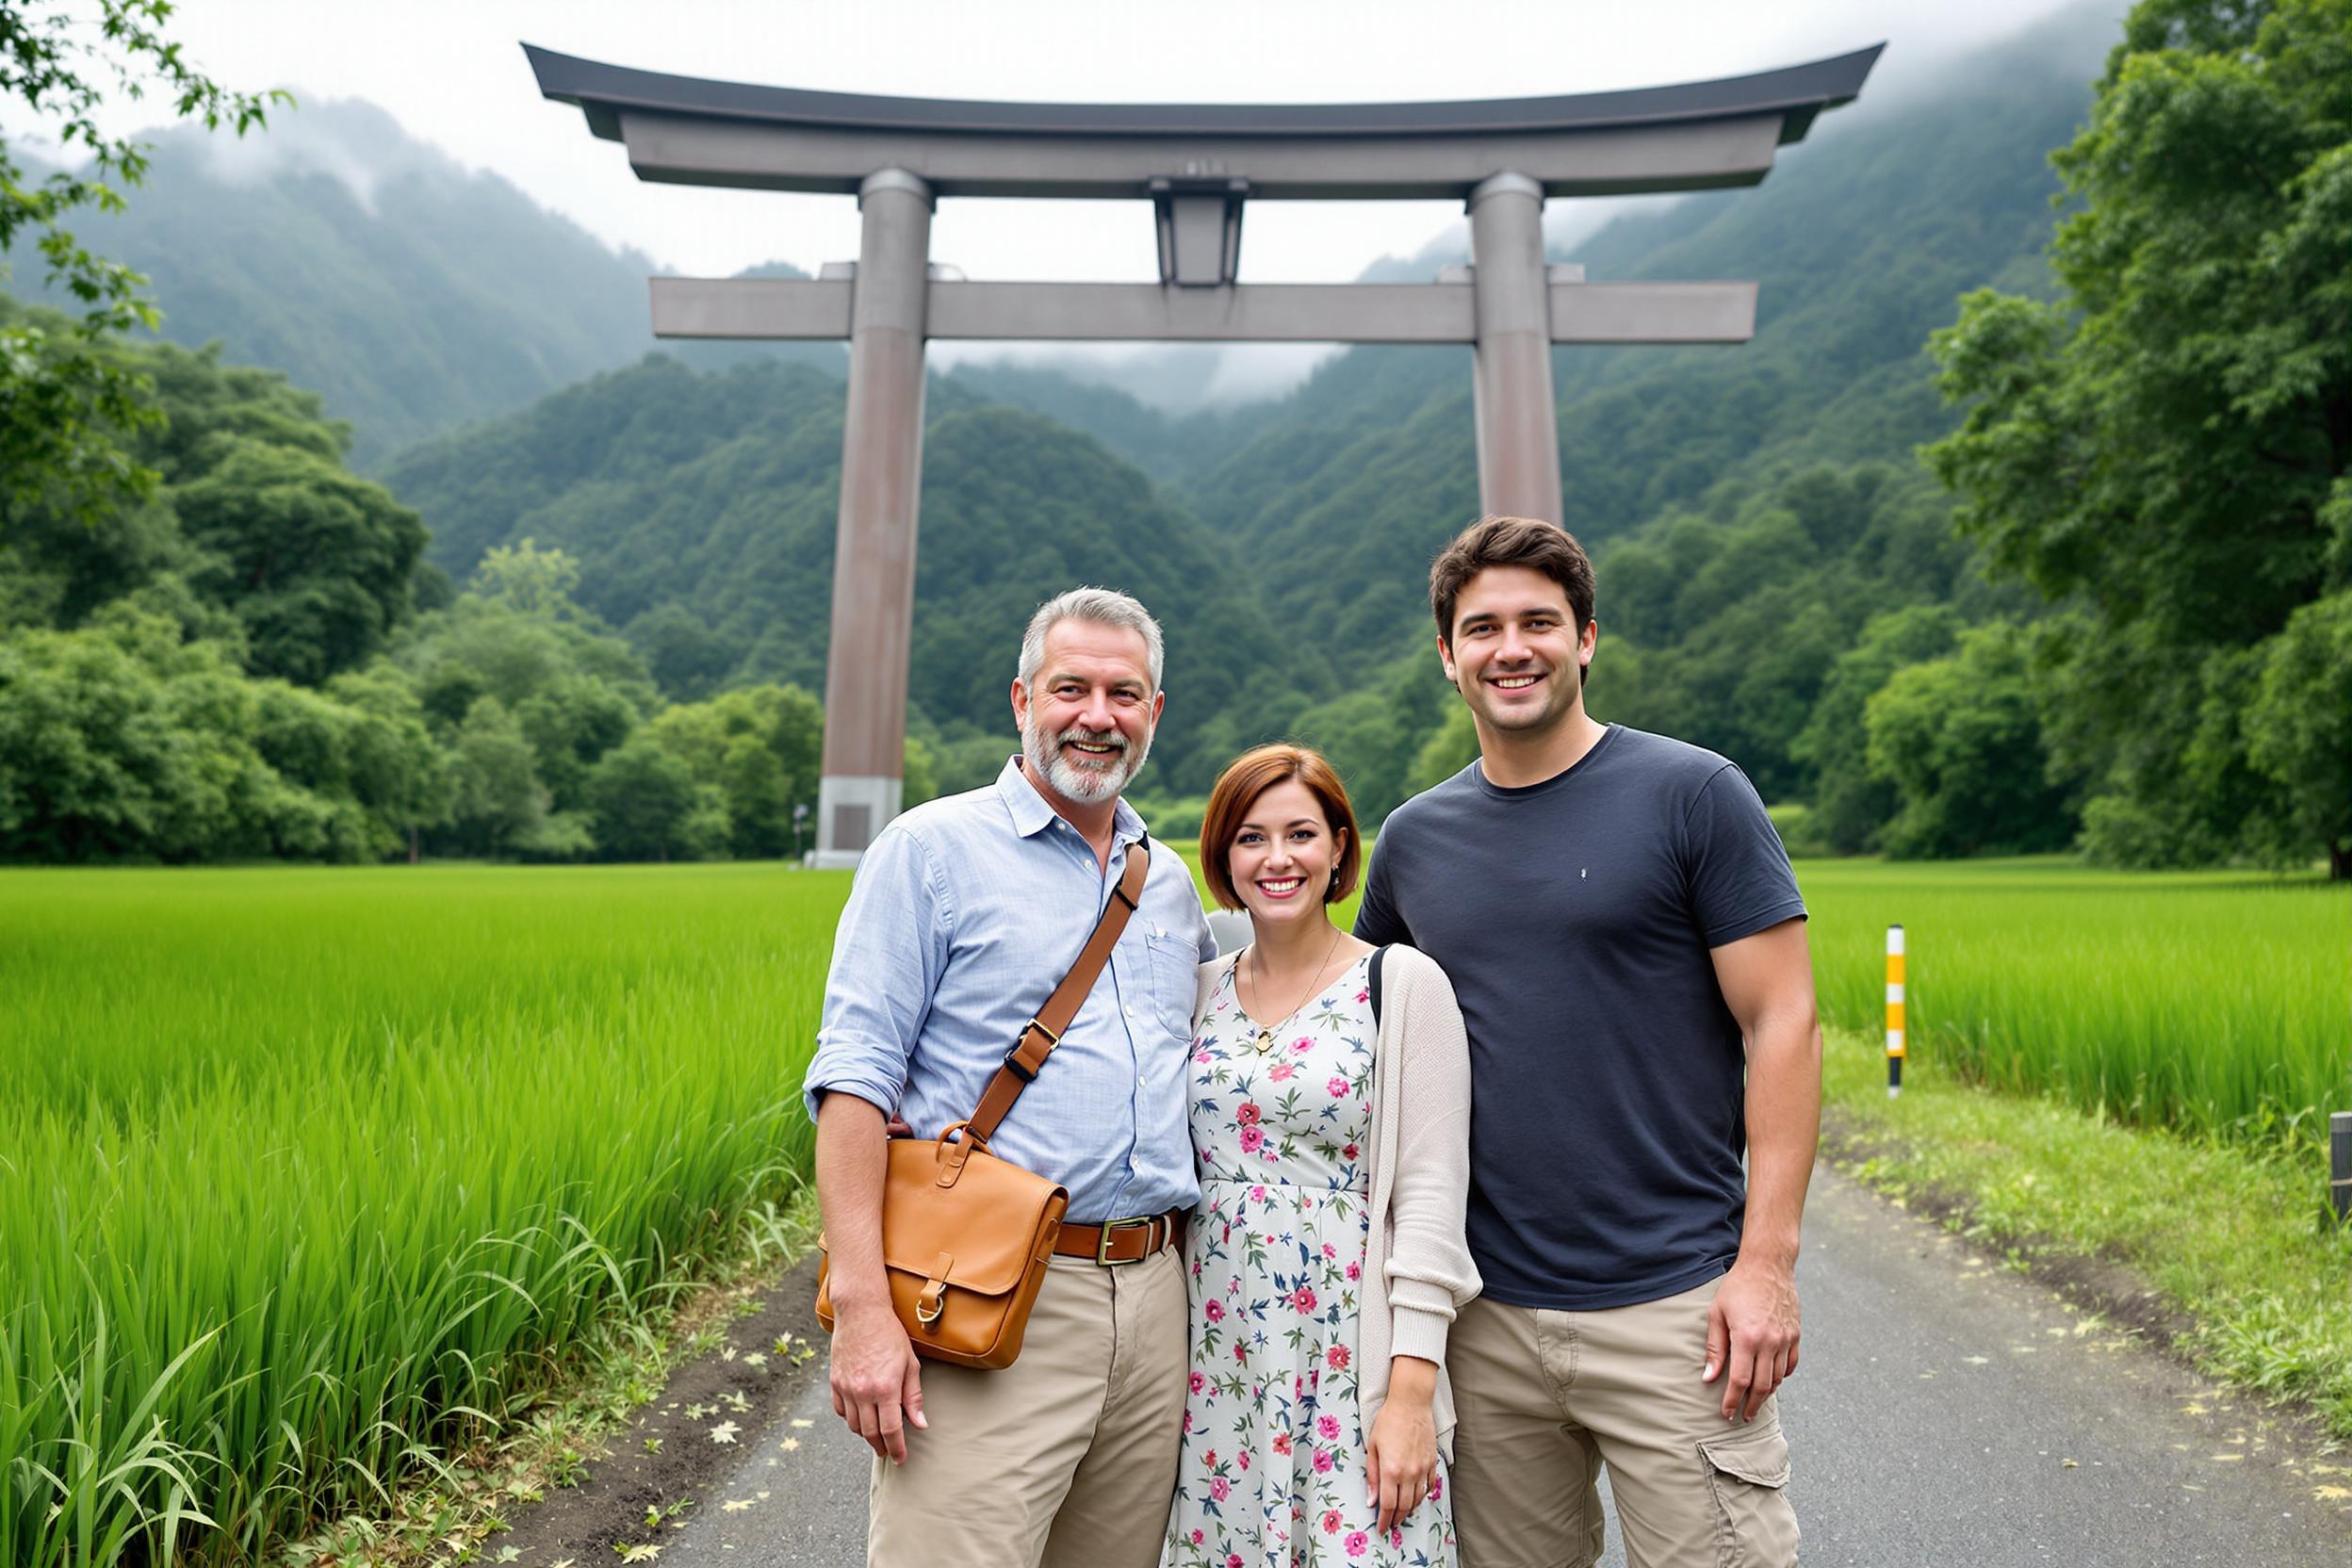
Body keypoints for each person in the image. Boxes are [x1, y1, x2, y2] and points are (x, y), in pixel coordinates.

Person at [1353, 515, 1821, 1568]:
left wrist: (1768, 1264)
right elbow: (1365, 1039)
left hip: (1677, 1306)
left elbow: (1781, 1020)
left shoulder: (1694, 794)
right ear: (1448, 655)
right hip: (1487, 1318)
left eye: (1539, 622)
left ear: (1587, 638)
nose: (1511, 648)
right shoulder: (1416, 839)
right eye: (1483, 628)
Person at [804, 586, 1215, 1568]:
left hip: (1155, 1298)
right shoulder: (929, 850)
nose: (1097, 716)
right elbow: (854, 1079)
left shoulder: (1164, 880)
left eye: (1124, 693)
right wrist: (861, 1307)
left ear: (1154, 712)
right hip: (985, 1288)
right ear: (1023, 699)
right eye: (1071, 688)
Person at [1168, 743, 1479, 1568]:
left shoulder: (1401, 984)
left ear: (1340, 847)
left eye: (1301, 834)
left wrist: (1410, 1396)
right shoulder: (1197, 989)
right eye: (1251, 838)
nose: (1277, 859)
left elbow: (1431, 1198)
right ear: (1222, 856)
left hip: (1351, 1353)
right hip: (1218, 1361)